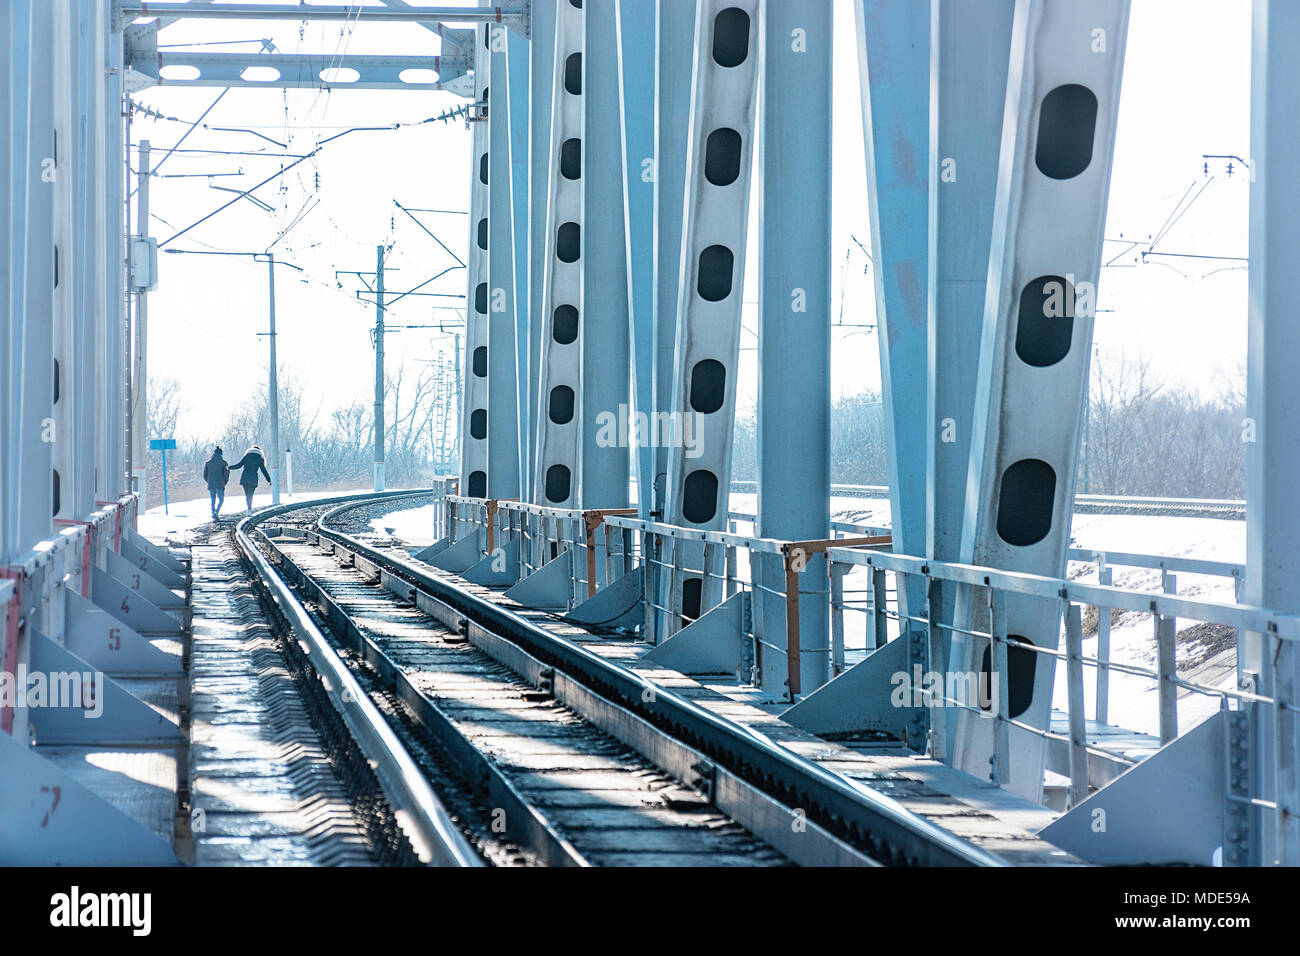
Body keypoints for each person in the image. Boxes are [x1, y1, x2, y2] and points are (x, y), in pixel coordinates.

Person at [228, 445, 271, 512]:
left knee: (247, 495)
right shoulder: (260, 458)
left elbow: (239, 465)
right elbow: (263, 471)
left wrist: (229, 467)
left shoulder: (246, 456)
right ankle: (249, 509)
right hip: (253, 479)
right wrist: (269, 480)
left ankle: (249, 507)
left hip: (245, 478)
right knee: (250, 495)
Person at [202, 445, 230, 519]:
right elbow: (226, 474)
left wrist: (208, 481)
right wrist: (225, 482)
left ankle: (213, 513)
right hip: (220, 484)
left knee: (213, 499)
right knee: (221, 500)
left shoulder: (208, 463)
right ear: (221, 454)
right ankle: (216, 512)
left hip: (211, 484)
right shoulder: (224, 463)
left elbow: (204, 475)